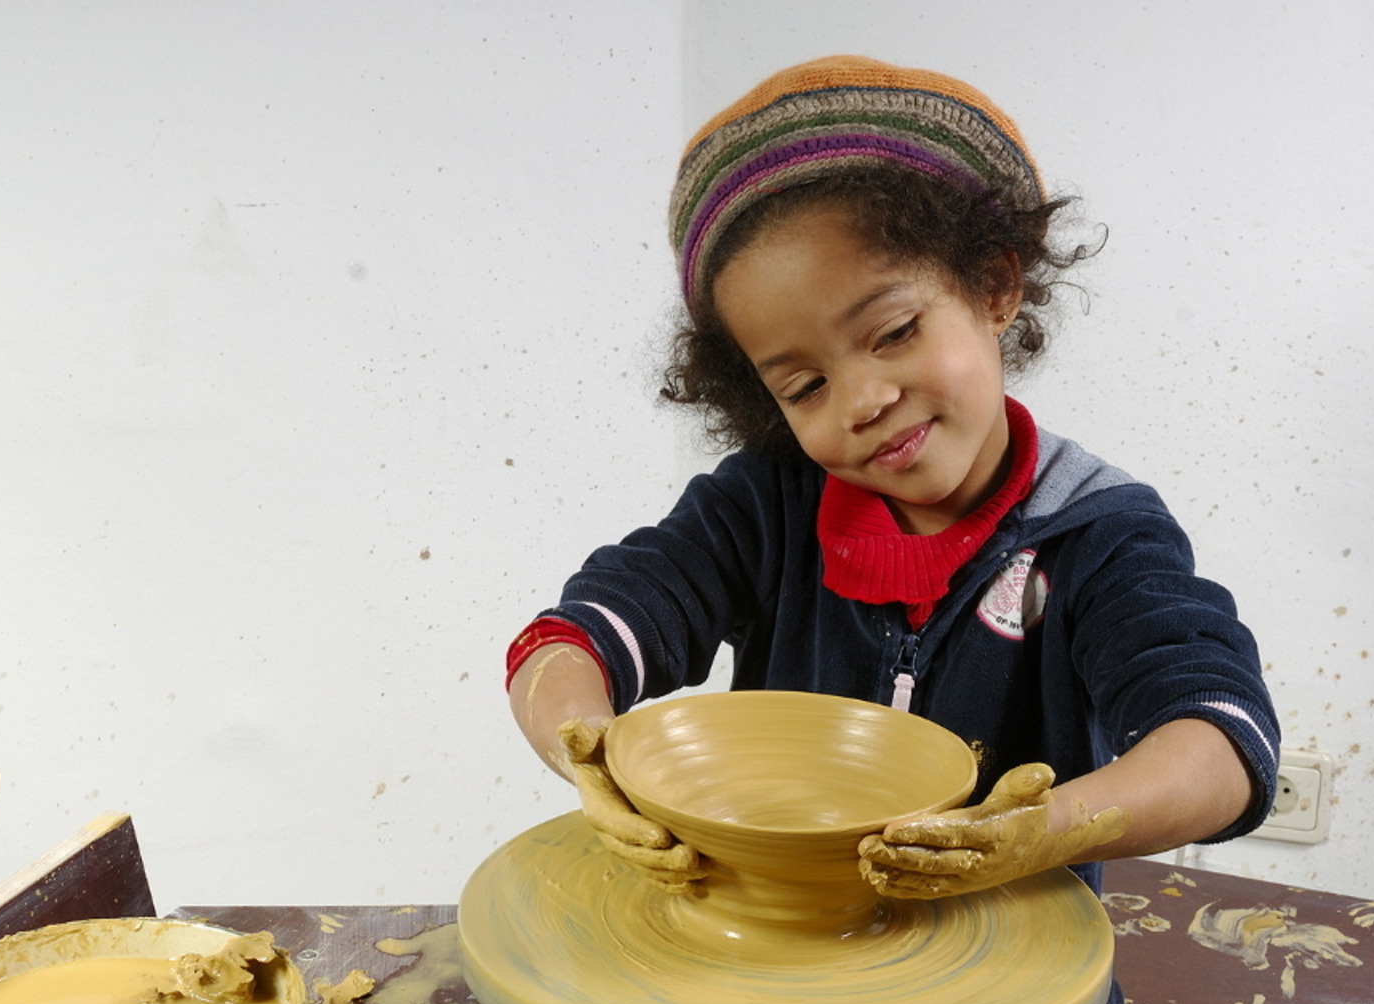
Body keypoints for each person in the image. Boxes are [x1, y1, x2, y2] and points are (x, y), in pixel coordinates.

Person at [506, 56, 1279, 912]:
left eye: (895, 332)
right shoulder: (766, 507)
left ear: (993, 285)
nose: (864, 402)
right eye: (804, 387)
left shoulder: (1097, 534)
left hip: (1007, 975)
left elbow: (1223, 741)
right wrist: (589, 753)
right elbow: (577, 636)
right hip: (773, 947)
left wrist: (1047, 829)